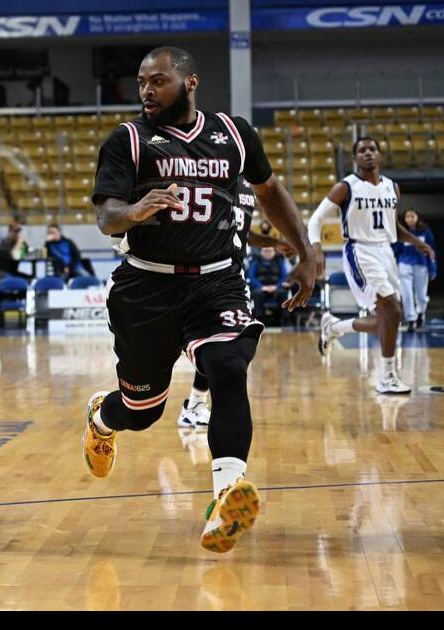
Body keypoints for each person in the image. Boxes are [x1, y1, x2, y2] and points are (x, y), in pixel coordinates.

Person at [84, 46, 316, 554]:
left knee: (229, 368)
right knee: (142, 410)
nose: (146, 91)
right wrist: (134, 211)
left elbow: (270, 189)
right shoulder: (128, 140)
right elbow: (106, 217)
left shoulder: (234, 134)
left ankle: (224, 500)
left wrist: (305, 251)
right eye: (142, 82)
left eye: (158, 81)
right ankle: (104, 417)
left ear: (190, 82)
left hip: (217, 280)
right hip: (147, 287)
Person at [309, 137, 434, 394]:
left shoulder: (392, 187)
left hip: (385, 252)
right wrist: (316, 247)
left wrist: (415, 242)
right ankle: (387, 375)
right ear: (355, 159)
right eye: (362, 150)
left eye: (372, 149)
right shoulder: (346, 187)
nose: (368, 153)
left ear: (379, 155)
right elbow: (315, 220)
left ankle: (334, 326)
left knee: (387, 320)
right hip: (359, 250)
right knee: (393, 311)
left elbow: (392, 226)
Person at [177, 179, 294, 430]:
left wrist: (274, 242)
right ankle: (191, 404)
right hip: (203, 273)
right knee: (209, 345)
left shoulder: (248, 186)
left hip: (230, 277)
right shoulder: (217, 177)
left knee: (223, 343)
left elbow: (245, 233)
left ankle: (197, 404)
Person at [395, 209, 436, 331]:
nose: (409, 219)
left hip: (421, 265)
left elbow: (432, 251)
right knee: (406, 294)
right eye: (407, 217)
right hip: (404, 264)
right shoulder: (402, 233)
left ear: (417, 217)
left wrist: (433, 268)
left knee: (422, 296)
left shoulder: (425, 232)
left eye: (412, 216)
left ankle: (420, 313)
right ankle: (411, 319)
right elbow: (396, 250)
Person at [248, 247, 289, 325]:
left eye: (270, 251)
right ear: (261, 252)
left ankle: (284, 320)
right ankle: (259, 320)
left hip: (276, 288)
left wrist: (276, 286)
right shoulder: (255, 262)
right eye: (265, 251)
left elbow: (284, 277)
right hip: (261, 288)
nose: (267, 253)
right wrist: (261, 287)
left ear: (274, 252)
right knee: (257, 294)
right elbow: (251, 277)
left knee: (283, 294)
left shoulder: (279, 261)